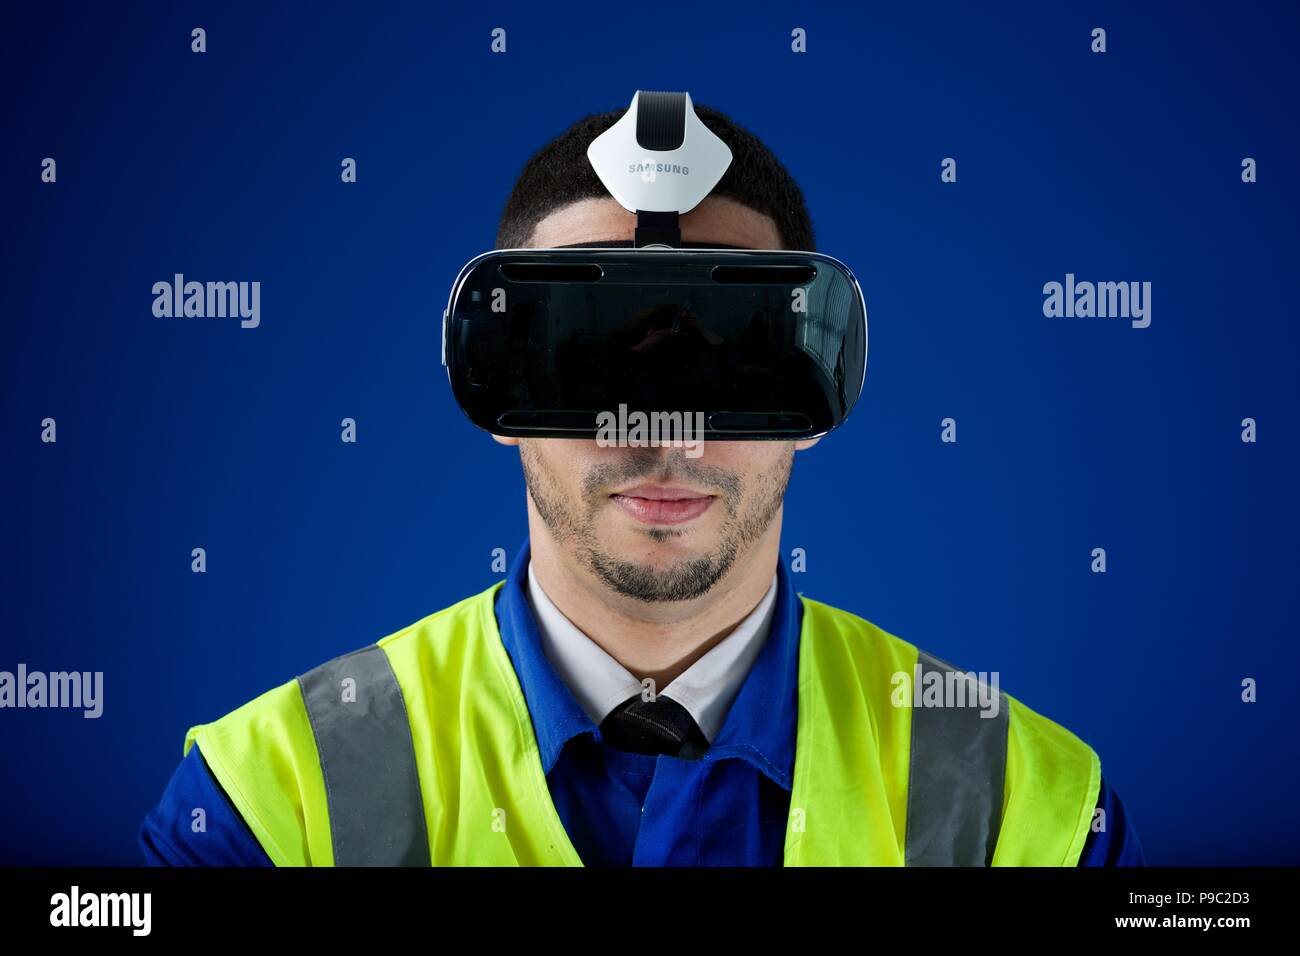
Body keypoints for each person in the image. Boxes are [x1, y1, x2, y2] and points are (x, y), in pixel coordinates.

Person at [140, 100, 1144, 867]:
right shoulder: (270, 795)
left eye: (732, 358)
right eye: (590, 357)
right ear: (498, 386)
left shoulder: (1023, 804)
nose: (666, 429)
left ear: (813, 391)